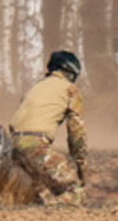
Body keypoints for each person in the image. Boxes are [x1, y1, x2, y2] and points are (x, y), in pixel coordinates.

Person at [7, 49, 88, 204]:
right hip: (36, 146)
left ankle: (40, 206)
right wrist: (81, 168)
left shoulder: (35, 88)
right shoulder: (70, 89)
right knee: (76, 193)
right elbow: (76, 134)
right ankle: (50, 209)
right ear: (70, 72)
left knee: (40, 193)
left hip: (13, 147)